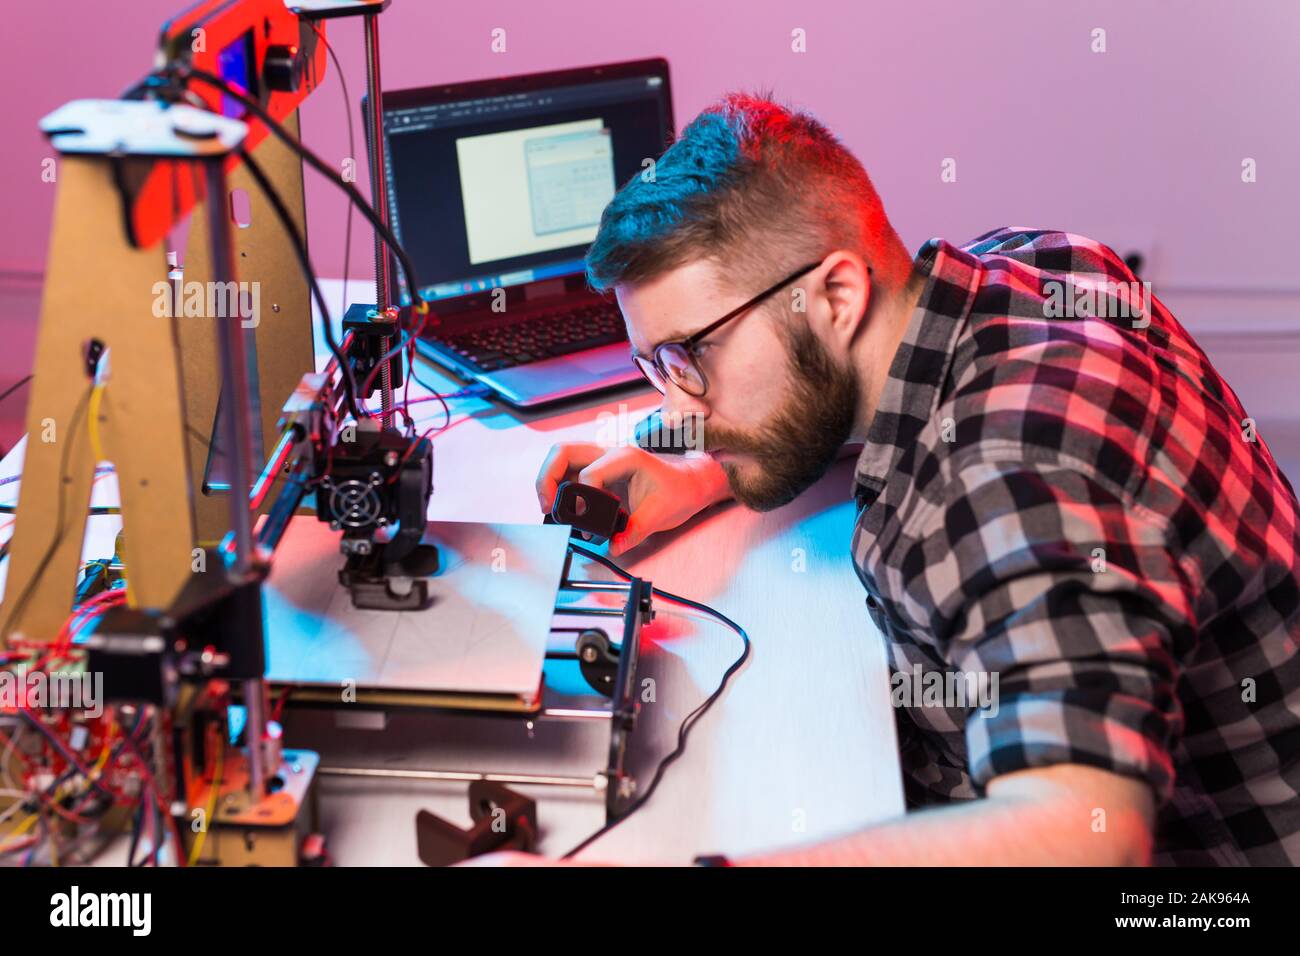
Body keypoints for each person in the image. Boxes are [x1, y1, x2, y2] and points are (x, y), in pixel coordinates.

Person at [519, 92, 1300, 866]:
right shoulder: (1039, 262)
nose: (674, 398)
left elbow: (1085, 834)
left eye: (690, 357)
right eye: (652, 365)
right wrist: (699, 470)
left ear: (835, 295)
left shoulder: (1004, 484)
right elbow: (845, 391)